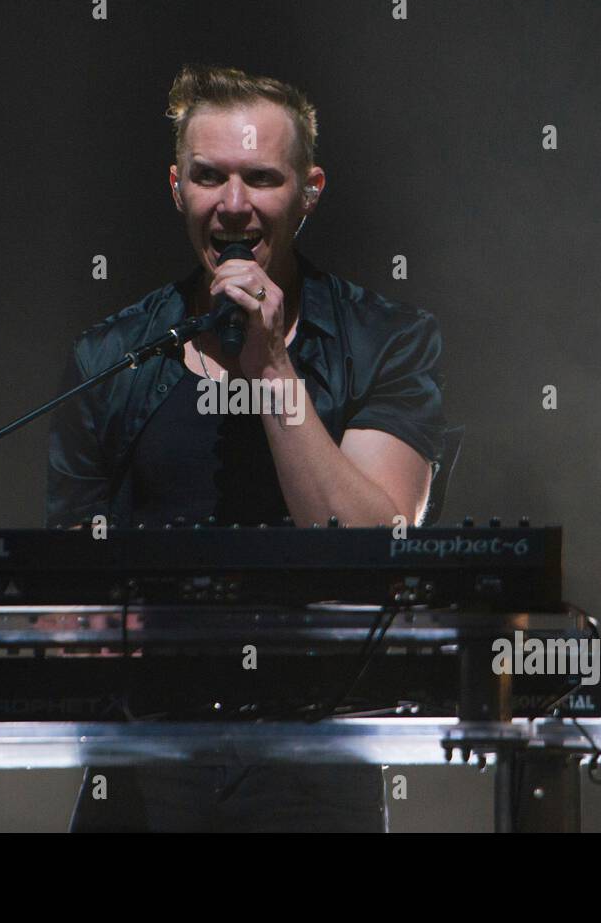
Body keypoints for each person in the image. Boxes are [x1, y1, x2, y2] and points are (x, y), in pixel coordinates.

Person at [46, 63, 458, 831]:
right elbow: (72, 590)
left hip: (319, 761)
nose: (233, 205)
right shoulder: (110, 357)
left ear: (309, 191)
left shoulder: (385, 342)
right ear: (177, 187)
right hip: (145, 764)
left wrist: (271, 366)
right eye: (209, 177)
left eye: (262, 178)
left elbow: (370, 554)